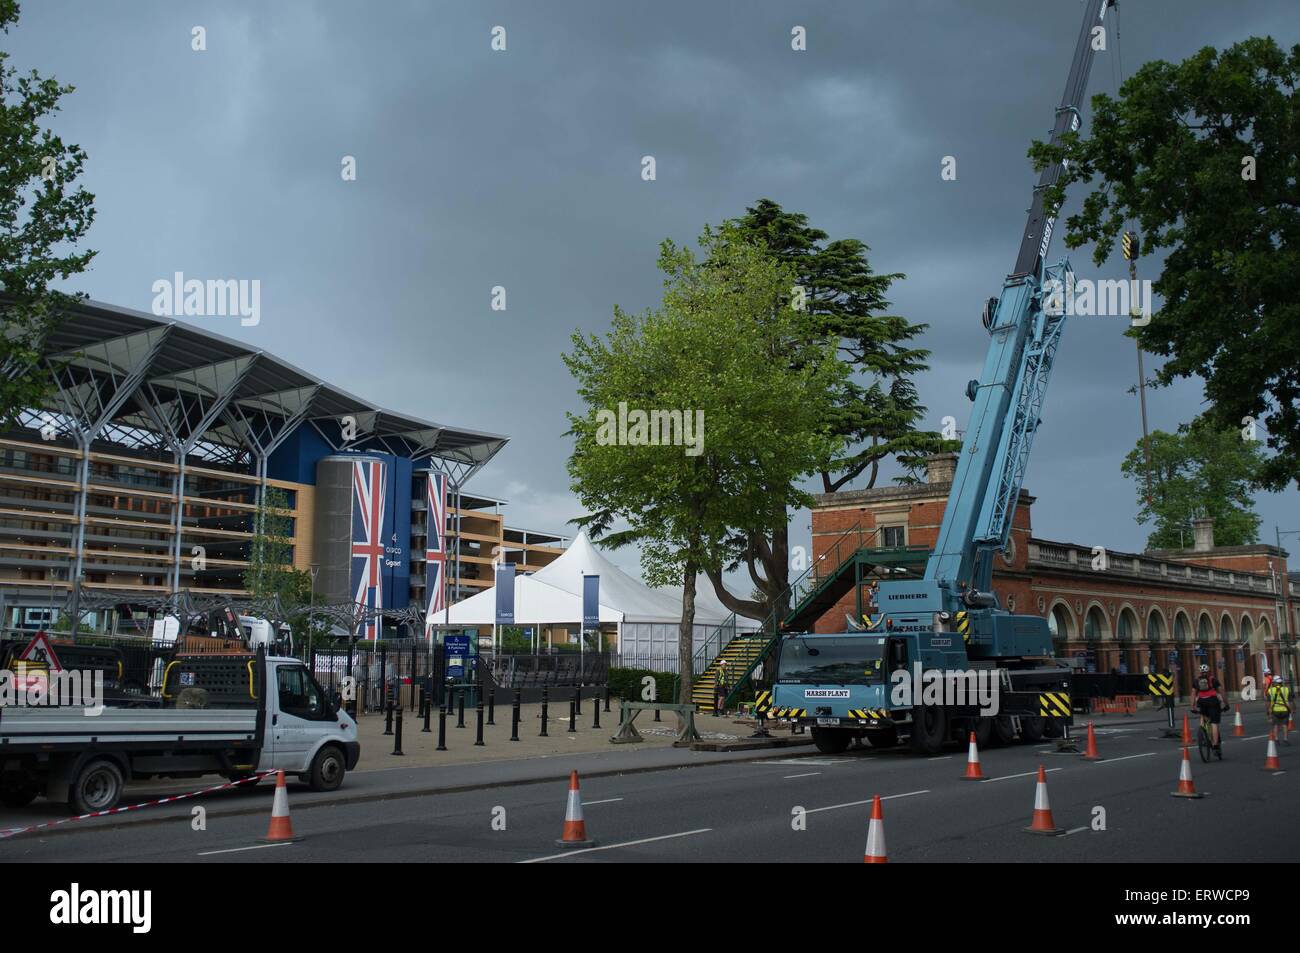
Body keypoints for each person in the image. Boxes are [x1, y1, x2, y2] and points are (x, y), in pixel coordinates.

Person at [1192, 675, 1224, 753]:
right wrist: (1226, 705)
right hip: (1213, 701)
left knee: (1203, 715)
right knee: (1214, 723)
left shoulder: (1196, 681)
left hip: (1201, 701)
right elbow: (1221, 692)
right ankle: (1215, 745)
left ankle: (1202, 732)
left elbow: (1193, 694)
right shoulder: (1213, 680)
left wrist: (1192, 707)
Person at [1266, 674, 1292, 744]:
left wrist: (1268, 711)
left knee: (1275, 725)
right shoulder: (1286, 689)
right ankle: (1285, 739)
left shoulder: (1270, 690)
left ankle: (1276, 738)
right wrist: (1292, 710)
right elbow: (1291, 701)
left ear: (1274, 682)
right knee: (1285, 725)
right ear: (1280, 682)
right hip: (1285, 710)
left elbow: (1268, 702)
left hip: (1275, 710)